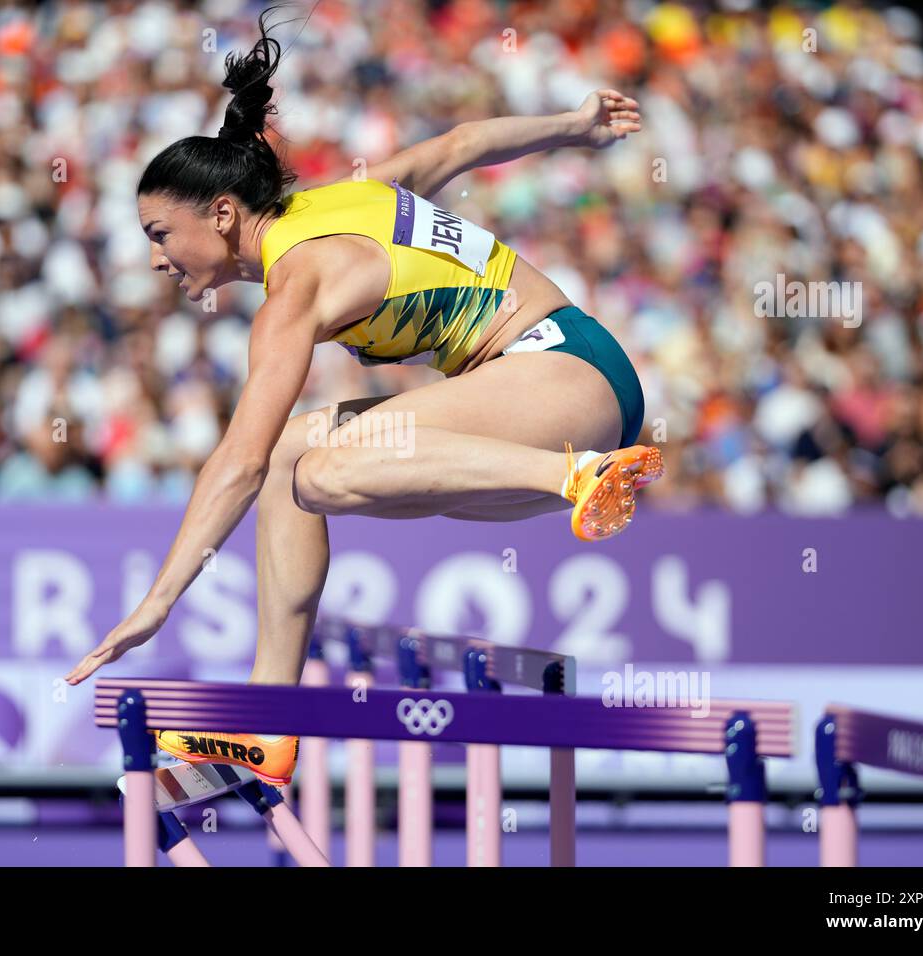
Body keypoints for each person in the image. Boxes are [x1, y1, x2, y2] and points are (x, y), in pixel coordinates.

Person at [65, 5, 663, 787]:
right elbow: (460, 145)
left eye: (158, 234)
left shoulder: (294, 291)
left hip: (564, 378)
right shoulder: (343, 197)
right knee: (294, 458)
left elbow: (233, 464)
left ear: (219, 214)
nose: (155, 260)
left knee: (319, 473)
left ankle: (581, 476)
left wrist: (158, 602)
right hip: (566, 369)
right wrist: (572, 125)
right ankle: (264, 733)